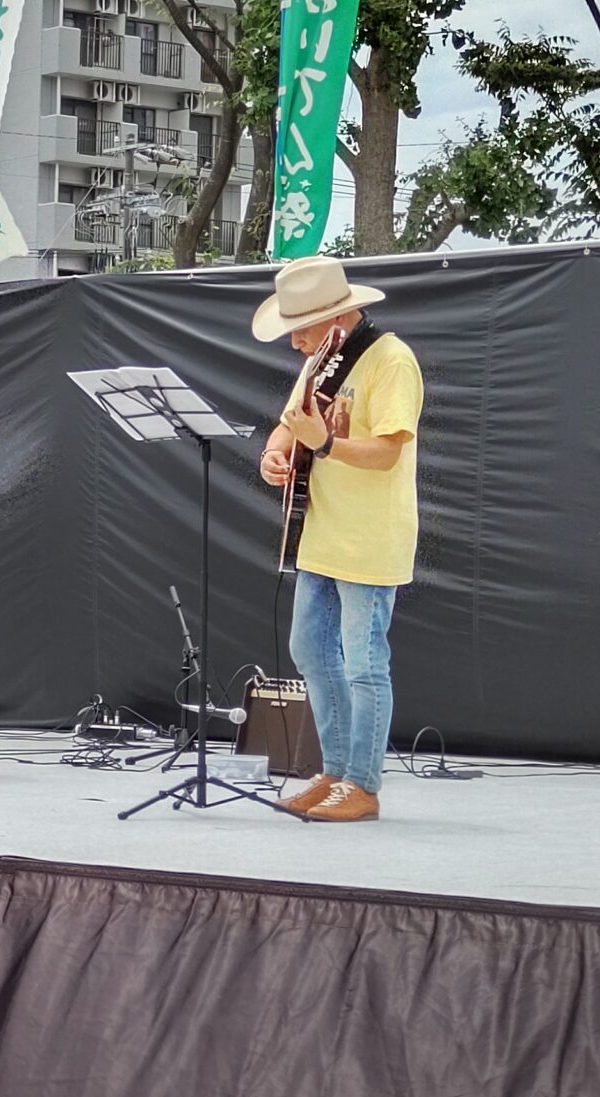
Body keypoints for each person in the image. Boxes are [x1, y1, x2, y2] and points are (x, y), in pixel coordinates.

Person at [255, 255, 424, 823]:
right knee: (309, 649)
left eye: (298, 329)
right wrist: (275, 452)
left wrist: (323, 444)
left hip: (371, 535)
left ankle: (363, 783)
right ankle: (334, 771)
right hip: (322, 531)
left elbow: (389, 451)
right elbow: (288, 424)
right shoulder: (322, 363)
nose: (294, 342)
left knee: (364, 663)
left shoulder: (391, 360)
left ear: (333, 320)